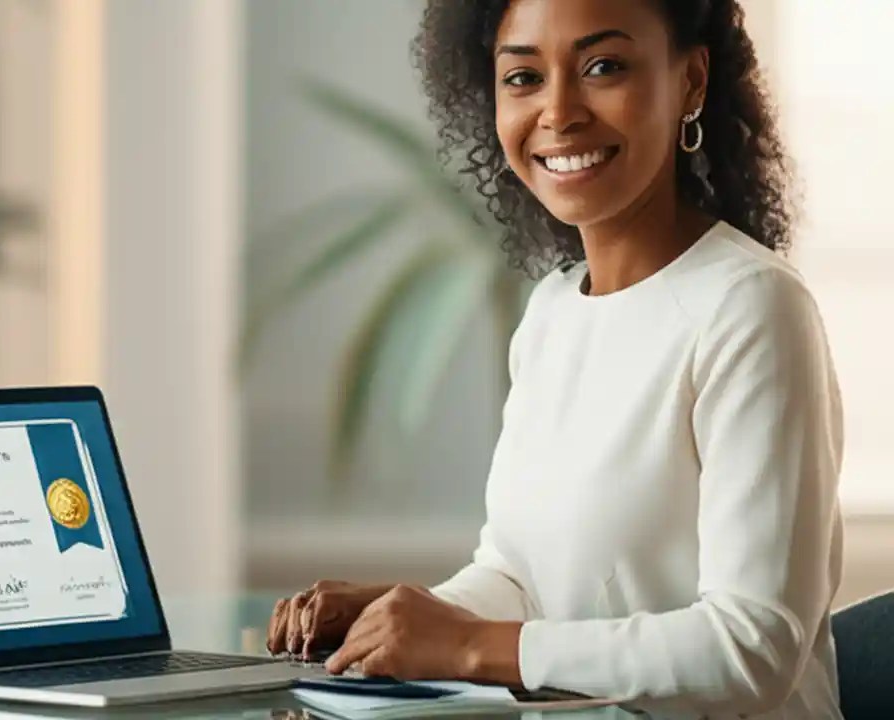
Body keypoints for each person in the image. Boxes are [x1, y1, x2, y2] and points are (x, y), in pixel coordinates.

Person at [265, 1, 844, 718]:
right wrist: (407, 616)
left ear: (691, 79)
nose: (558, 111)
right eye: (524, 77)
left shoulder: (750, 308)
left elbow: (750, 649)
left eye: (604, 66)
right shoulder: (552, 312)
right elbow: (519, 575)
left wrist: (470, 646)